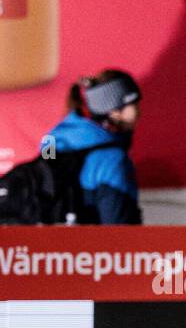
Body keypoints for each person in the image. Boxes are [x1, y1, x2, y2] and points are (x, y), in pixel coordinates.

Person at [43, 69, 143, 224]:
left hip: (48, 246)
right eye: (134, 105)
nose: (139, 113)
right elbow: (120, 233)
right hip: (92, 247)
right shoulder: (112, 159)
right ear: (114, 111)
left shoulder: (50, 140)